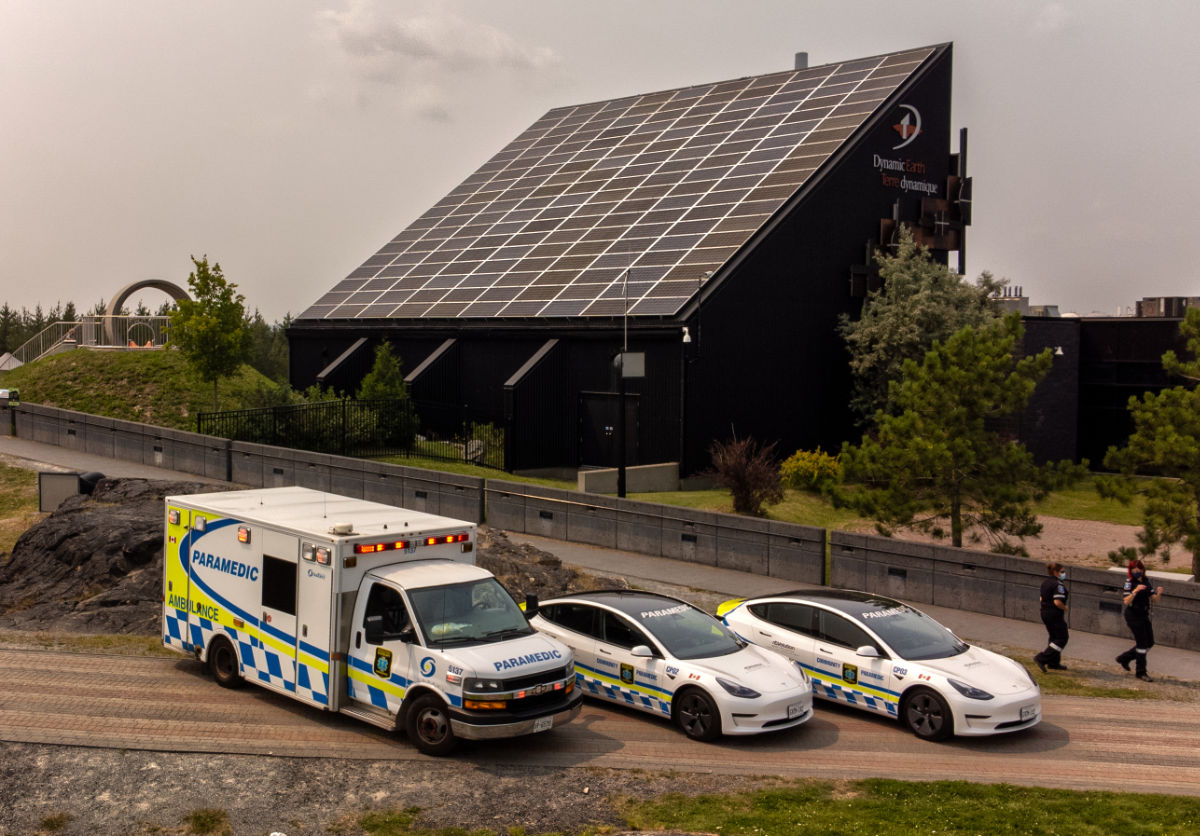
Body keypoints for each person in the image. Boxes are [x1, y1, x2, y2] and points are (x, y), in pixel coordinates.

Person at [1115, 558, 1163, 682]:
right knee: (1142, 644)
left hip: (1144, 615)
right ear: (1131, 571)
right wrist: (1135, 591)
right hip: (1133, 616)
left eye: (1139, 570)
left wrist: (1158, 593)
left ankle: (1124, 658)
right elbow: (1126, 601)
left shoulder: (1146, 581)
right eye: (1135, 570)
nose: (1137, 572)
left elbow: (1155, 600)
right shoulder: (1129, 582)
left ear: (1143, 570)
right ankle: (1141, 672)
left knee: (1150, 642)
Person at [1034, 562, 1069, 672]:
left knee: (1054, 637)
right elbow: (1057, 602)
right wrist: (1065, 608)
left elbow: (1041, 598)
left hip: (1045, 612)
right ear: (1055, 572)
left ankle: (1053, 662)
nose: (1064, 574)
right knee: (1062, 638)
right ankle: (1042, 658)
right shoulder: (1058, 584)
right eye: (1062, 572)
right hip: (1054, 614)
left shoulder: (1045, 582)